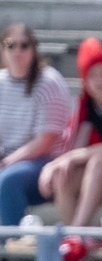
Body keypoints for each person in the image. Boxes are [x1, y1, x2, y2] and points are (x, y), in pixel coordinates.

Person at [39, 37, 102, 233]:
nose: (100, 81)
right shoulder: (89, 105)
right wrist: (60, 164)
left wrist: (62, 160)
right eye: (93, 75)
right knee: (64, 176)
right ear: (85, 80)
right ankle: (77, 246)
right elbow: (79, 148)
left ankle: (77, 232)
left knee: (98, 162)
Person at [0, 24, 71, 227]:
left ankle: (11, 252)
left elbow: (45, 142)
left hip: (45, 165)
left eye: (24, 45)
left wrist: (6, 162)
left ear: (34, 49)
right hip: (9, 159)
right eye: (11, 45)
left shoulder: (48, 82)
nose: (17, 52)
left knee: (7, 180)